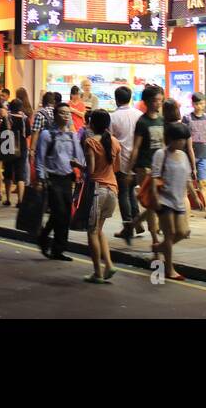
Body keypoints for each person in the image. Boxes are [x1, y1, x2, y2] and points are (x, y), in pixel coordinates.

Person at [34, 104, 82, 261]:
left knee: (64, 215)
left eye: (68, 113)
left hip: (67, 178)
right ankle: (52, 244)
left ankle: (53, 245)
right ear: (55, 115)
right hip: (52, 179)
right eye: (62, 113)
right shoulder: (47, 135)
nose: (66, 116)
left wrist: (80, 167)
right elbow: (40, 158)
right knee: (59, 212)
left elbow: (79, 156)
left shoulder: (71, 135)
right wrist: (40, 179)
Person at [151, 121, 193, 281]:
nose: (182, 143)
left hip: (178, 200)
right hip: (164, 200)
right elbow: (155, 177)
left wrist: (194, 196)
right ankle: (169, 269)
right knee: (170, 234)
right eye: (179, 139)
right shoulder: (161, 154)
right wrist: (155, 198)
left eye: (184, 140)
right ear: (171, 139)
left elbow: (187, 178)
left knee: (182, 232)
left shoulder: (183, 156)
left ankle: (159, 247)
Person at [83, 109, 120, 284]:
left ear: (92, 124)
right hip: (112, 190)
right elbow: (117, 168)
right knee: (99, 229)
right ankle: (109, 265)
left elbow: (90, 171)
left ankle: (97, 272)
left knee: (91, 231)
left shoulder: (90, 142)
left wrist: (77, 165)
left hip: (97, 190)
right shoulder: (114, 142)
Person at [125, 85, 165, 244]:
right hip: (145, 167)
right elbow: (135, 148)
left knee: (155, 204)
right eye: (155, 100)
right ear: (147, 102)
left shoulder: (162, 120)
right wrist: (129, 170)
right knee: (152, 202)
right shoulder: (142, 122)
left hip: (159, 167)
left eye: (161, 100)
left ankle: (131, 226)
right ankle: (155, 240)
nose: (159, 103)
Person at [109, 86, 142, 244]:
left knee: (123, 192)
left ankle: (128, 225)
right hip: (137, 161)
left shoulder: (113, 117)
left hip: (121, 159)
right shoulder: (139, 115)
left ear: (116, 99)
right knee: (131, 192)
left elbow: (109, 139)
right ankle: (136, 221)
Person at [184, 94, 206, 222]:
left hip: (203, 155)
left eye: (202, 103)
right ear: (193, 104)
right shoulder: (187, 118)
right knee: (187, 183)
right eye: (197, 104)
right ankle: (188, 208)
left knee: (204, 183)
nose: (199, 106)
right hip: (189, 155)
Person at [2, 99, 29, 208]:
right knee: (20, 174)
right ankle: (20, 200)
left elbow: (3, 131)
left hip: (8, 147)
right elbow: (27, 133)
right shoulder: (24, 119)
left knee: (8, 173)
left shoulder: (7, 118)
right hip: (22, 148)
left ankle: (8, 199)